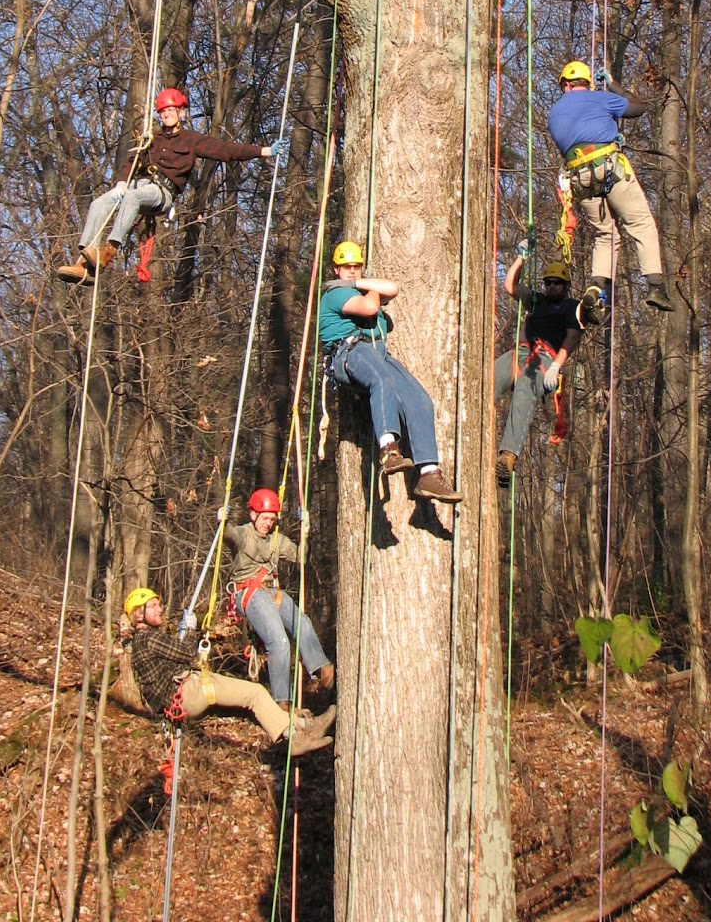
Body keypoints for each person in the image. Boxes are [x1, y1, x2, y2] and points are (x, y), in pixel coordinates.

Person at [56, 87, 287, 283]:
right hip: (138, 185)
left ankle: (108, 252)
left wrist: (264, 151)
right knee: (99, 204)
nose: (166, 115)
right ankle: (84, 264)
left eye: (170, 111)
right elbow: (131, 162)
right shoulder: (151, 139)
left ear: (180, 112)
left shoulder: (191, 140)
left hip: (161, 192)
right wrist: (120, 183)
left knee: (132, 198)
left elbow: (226, 150)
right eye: (163, 112)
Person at [319, 240, 462, 504]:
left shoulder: (359, 289)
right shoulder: (336, 294)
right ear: (336, 270)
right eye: (346, 267)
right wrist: (370, 288)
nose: (352, 272)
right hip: (349, 352)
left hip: (377, 354)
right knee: (381, 380)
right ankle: (389, 448)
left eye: (356, 266)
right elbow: (371, 307)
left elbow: (393, 288)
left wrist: (365, 285)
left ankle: (429, 473)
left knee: (420, 401)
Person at [120, 586, 334, 757]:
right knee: (255, 693)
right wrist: (191, 630)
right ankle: (296, 739)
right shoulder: (148, 638)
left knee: (250, 709)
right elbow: (187, 653)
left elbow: (175, 657)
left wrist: (187, 633)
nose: (160, 609)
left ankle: (305, 726)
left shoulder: (141, 643)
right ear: (139, 615)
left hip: (181, 708)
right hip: (189, 692)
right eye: (153, 606)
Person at [546, 61, 673, 319]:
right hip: (609, 168)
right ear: (587, 83)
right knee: (641, 223)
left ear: (566, 85)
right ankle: (655, 286)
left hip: (580, 180)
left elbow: (579, 136)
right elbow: (638, 107)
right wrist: (613, 85)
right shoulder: (601, 98)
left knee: (605, 233)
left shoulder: (554, 114)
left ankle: (595, 287)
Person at [225, 487, 334, 707]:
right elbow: (227, 535)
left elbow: (300, 557)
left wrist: (306, 533)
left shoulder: (277, 540)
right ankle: (282, 702)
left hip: (270, 592)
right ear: (253, 515)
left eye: (272, 519)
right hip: (249, 592)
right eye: (264, 518)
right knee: (279, 642)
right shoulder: (243, 534)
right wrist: (223, 520)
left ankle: (322, 668)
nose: (268, 523)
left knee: (301, 622)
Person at [494, 252, 584, 488]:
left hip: (546, 357)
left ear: (566, 286)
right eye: (548, 282)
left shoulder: (572, 307)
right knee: (487, 381)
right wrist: (521, 258)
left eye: (557, 283)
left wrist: (556, 365)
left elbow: (573, 337)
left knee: (525, 389)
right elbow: (509, 285)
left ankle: (508, 456)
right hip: (521, 352)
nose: (552, 286)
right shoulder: (536, 300)